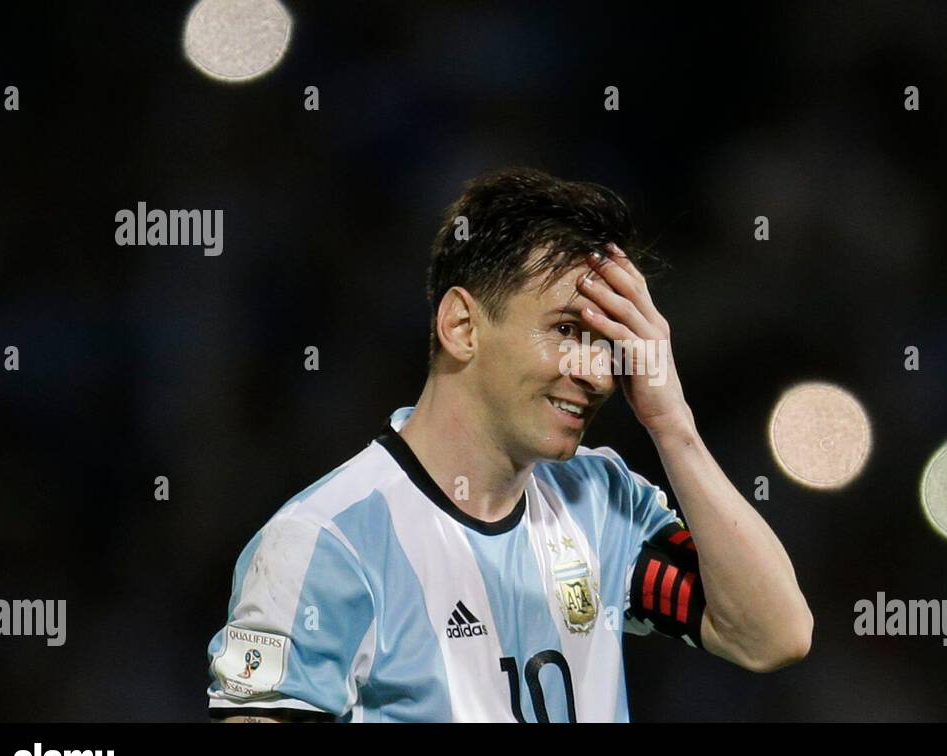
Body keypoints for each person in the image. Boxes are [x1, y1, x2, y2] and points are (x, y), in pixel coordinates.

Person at [206, 167, 813, 722]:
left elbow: (773, 635)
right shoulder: (324, 543)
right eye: (568, 329)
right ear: (462, 327)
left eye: (608, 341)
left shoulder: (601, 504)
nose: (599, 374)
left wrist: (673, 425)